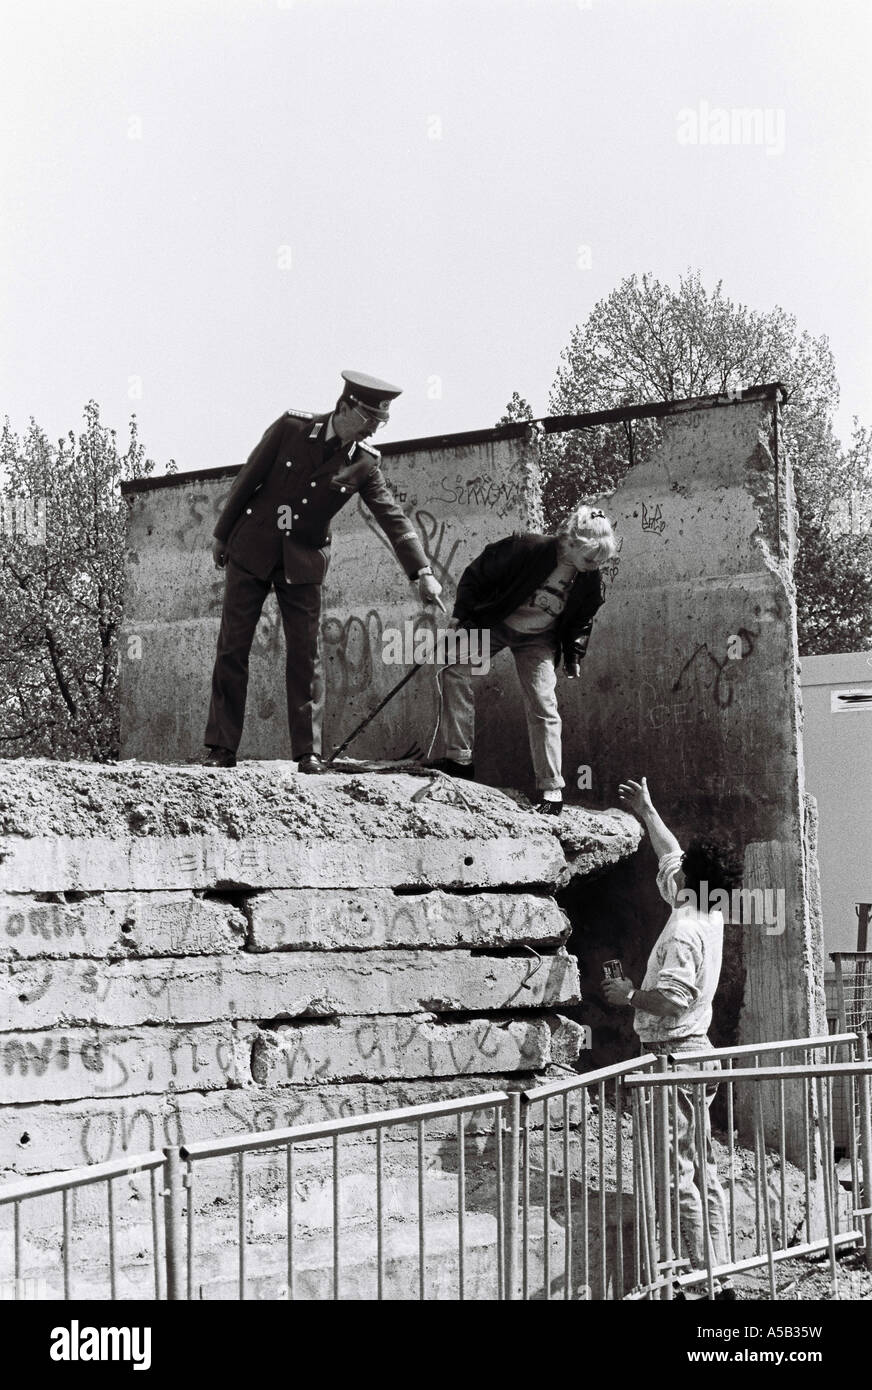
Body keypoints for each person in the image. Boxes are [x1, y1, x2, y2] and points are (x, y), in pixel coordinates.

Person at [203, 371, 442, 770]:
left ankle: (308, 752)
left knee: (306, 655)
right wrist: (222, 535)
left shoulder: (365, 462)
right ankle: (221, 748)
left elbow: (393, 518)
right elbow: (249, 477)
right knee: (233, 648)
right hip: (253, 548)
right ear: (345, 407)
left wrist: (422, 572)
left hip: (303, 562)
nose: (374, 429)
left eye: (380, 423)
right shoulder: (292, 427)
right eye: (369, 419)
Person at [604, 775, 743, 1299]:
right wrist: (647, 810)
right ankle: (718, 1272)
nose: (675, 865)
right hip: (691, 1057)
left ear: (692, 878)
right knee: (700, 1168)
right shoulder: (706, 910)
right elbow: (670, 852)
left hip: (673, 1061)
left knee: (678, 1173)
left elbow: (673, 999)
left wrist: (628, 996)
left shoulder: (685, 930)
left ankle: (706, 1284)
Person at [428, 504, 616, 813]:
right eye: (591, 557)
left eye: (602, 560)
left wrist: (573, 655)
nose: (596, 565)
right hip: (499, 623)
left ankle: (552, 791)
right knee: (454, 670)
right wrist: (463, 615)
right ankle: (459, 759)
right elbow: (479, 572)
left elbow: (583, 618)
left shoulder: (589, 578)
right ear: (570, 543)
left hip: (539, 638)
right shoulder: (528, 547)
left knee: (544, 704)